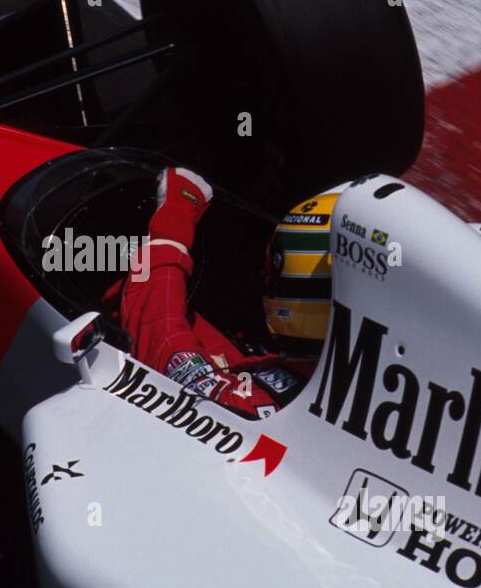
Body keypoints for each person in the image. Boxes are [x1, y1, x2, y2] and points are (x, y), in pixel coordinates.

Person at [116, 166, 337, 418]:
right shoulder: (343, 380)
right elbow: (236, 369)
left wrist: (170, 229)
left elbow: (167, 355)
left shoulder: (272, 407)